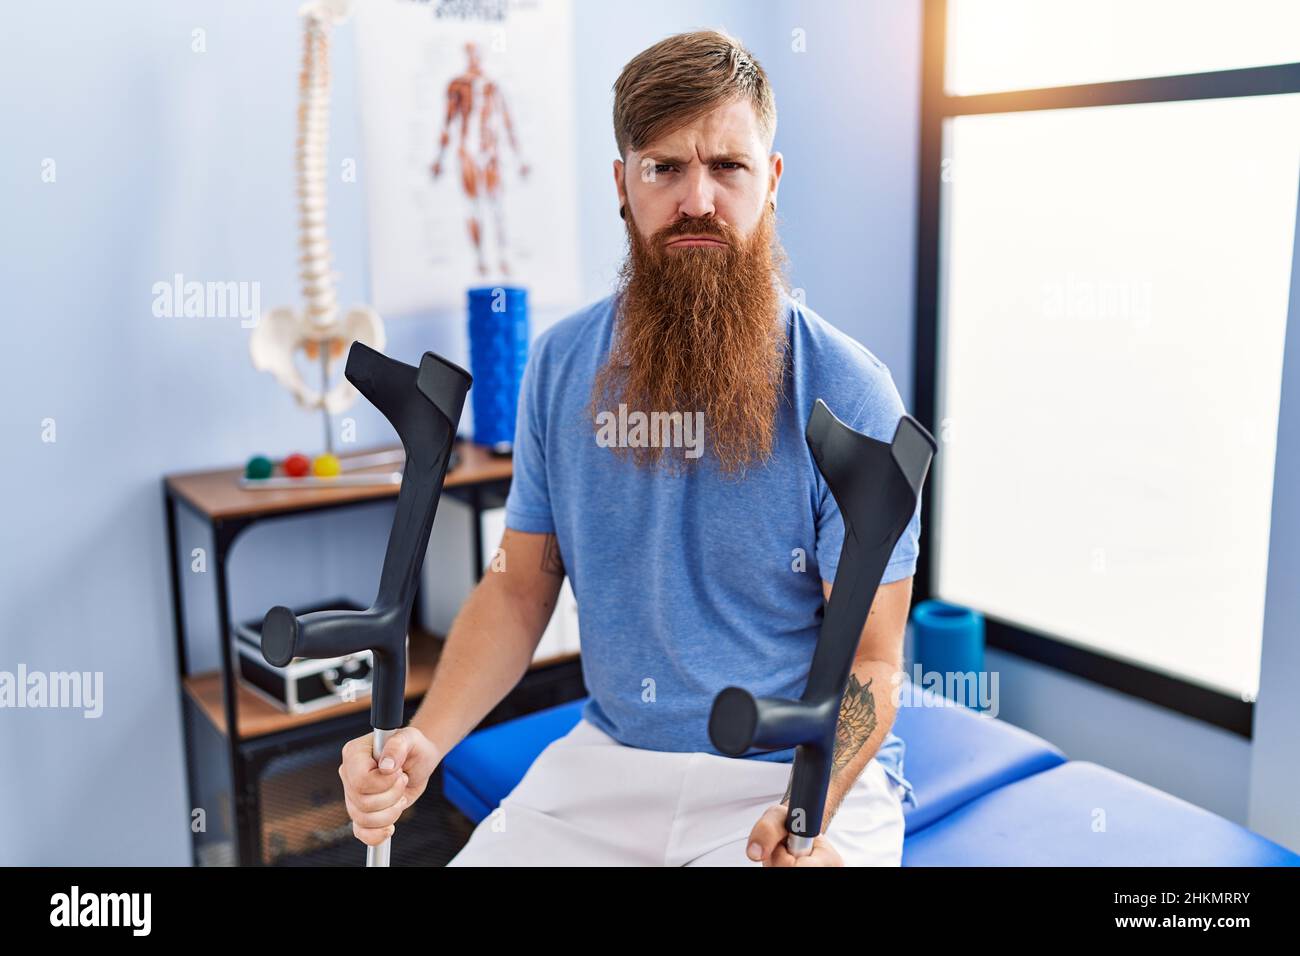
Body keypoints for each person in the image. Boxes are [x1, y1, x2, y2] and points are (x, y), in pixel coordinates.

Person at [340, 29, 921, 867]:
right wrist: (421, 742)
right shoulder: (560, 366)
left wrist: (809, 808)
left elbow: (874, 660)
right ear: (623, 184)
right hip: (611, 765)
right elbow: (517, 594)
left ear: (772, 180)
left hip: (794, 771)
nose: (697, 200)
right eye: (664, 168)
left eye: (728, 167)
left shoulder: (850, 390)